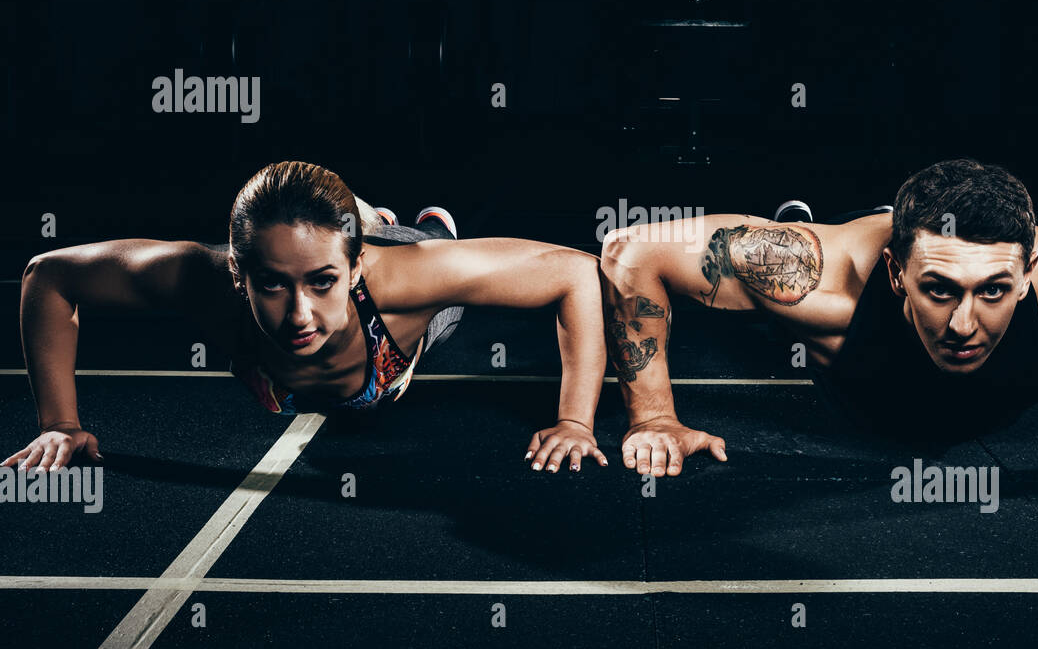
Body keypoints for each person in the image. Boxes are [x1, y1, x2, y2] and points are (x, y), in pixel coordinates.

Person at [599, 158, 1038, 483]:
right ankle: (800, 222)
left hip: (977, 387)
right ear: (898, 273)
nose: (964, 323)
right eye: (937, 288)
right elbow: (633, 252)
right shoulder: (820, 279)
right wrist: (654, 414)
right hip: (854, 374)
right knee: (771, 306)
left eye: (993, 290)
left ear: (1030, 268)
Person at [6, 161, 608, 475]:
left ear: (351, 273)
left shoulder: (406, 281)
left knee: (437, 288)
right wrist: (59, 422)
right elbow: (47, 275)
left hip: (392, 333)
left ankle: (418, 226)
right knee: (332, 250)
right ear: (240, 274)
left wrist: (575, 422)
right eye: (270, 284)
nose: (299, 315)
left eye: (321, 283)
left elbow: (576, 272)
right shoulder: (200, 279)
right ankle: (363, 225)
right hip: (348, 254)